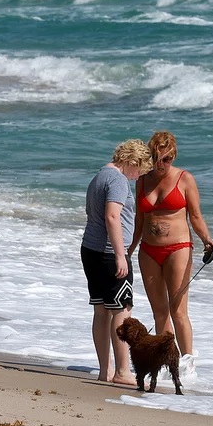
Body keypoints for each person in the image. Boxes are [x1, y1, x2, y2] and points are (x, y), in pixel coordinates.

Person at [131, 130, 213, 375]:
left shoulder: (184, 179)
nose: (161, 164)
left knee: (178, 310)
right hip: (148, 251)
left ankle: (188, 365)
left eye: (166, 159)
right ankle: (168, 362)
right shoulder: (142, 180)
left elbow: (196, 216)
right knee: (160, 312)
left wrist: (206, 240)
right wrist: (128, 249)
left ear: (174, 156)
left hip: (178, 249)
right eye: (156, 158)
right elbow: (139, 220)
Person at [81, 139, 152, 385]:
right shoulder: (118, 180)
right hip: (110, 254)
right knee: (121, 310)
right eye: (139, 171)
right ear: (132, 161)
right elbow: (112, 216)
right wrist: (122, 255)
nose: (136, 177)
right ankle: (122, 372)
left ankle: (105, 371)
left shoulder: (99, 176)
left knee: (101, 311)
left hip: (90, 249)